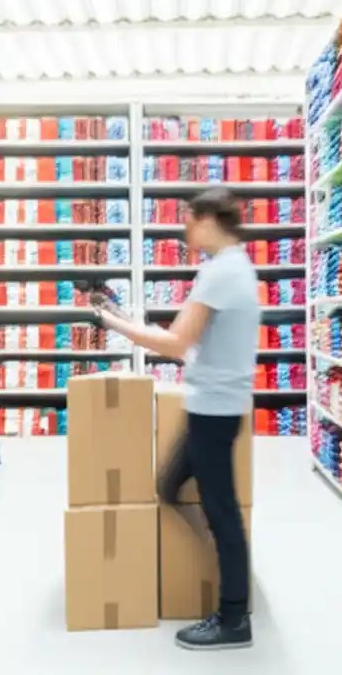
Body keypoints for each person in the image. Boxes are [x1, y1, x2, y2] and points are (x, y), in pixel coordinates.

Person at [94, 188, 257, 650]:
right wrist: (123, 316)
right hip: (213, 405)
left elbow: (175, 343)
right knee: (168, 485)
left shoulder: (220, 273)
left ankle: (232, 618)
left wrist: (113, 324)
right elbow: (189, 339)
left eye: (188, 220)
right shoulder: (236, 265)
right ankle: (197, 567)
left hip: (213, 410)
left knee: (222, 512)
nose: (184, 230)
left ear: (208, 219)